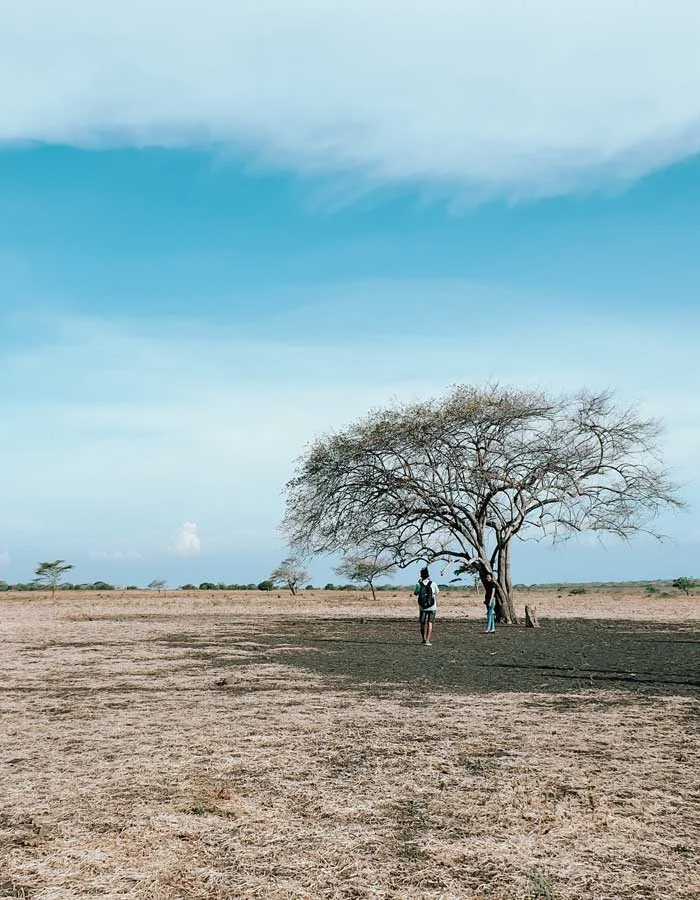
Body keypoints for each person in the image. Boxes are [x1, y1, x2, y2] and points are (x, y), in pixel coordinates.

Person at [414, 566, 438, 646]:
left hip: (422, 607)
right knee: (430, 622)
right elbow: (437, 592)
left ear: (421, 575)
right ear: (428, 575)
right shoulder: (433, 583)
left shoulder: (418, 584)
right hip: (432, 607)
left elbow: (415, 593)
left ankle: (423, 639)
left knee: (422, 623)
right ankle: (428, 640)